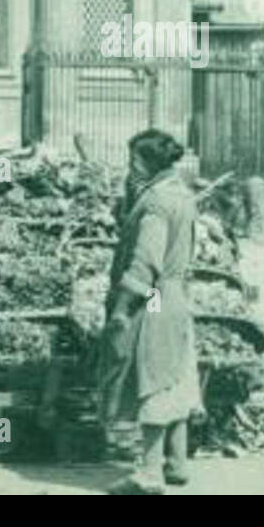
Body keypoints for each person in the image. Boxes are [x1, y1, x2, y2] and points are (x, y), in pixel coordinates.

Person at [98, 129, 201, 495]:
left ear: (144, 162)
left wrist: (122, 310)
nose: (129, 167)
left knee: (153, 381)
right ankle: (177, 463)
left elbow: (144, 262)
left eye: (132, 161)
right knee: (177, 377)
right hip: (177, 296)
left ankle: (150, 474)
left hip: (154, 299)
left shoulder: (156, 203)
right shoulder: (182, 194)